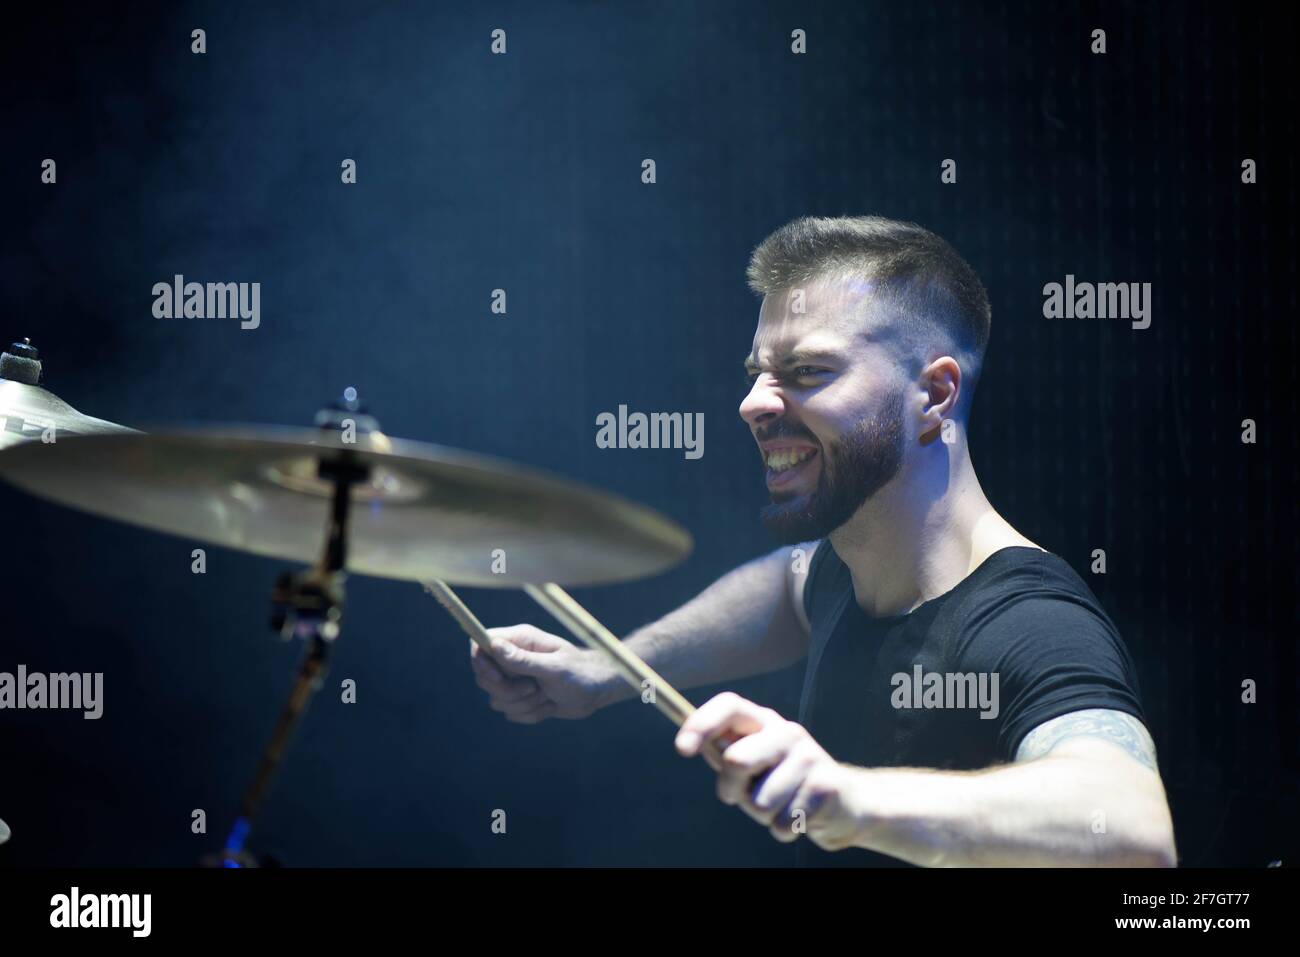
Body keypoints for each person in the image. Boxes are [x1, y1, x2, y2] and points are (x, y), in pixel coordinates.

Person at [467, 215, 1176, 867]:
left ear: (932, 396)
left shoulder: (1029, 621)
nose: (753, 404)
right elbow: (787, 588)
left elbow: (1135, 828)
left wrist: (850, 798)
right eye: (757, 374)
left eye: (807, 371)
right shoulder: (849, 564)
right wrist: (606, 671)